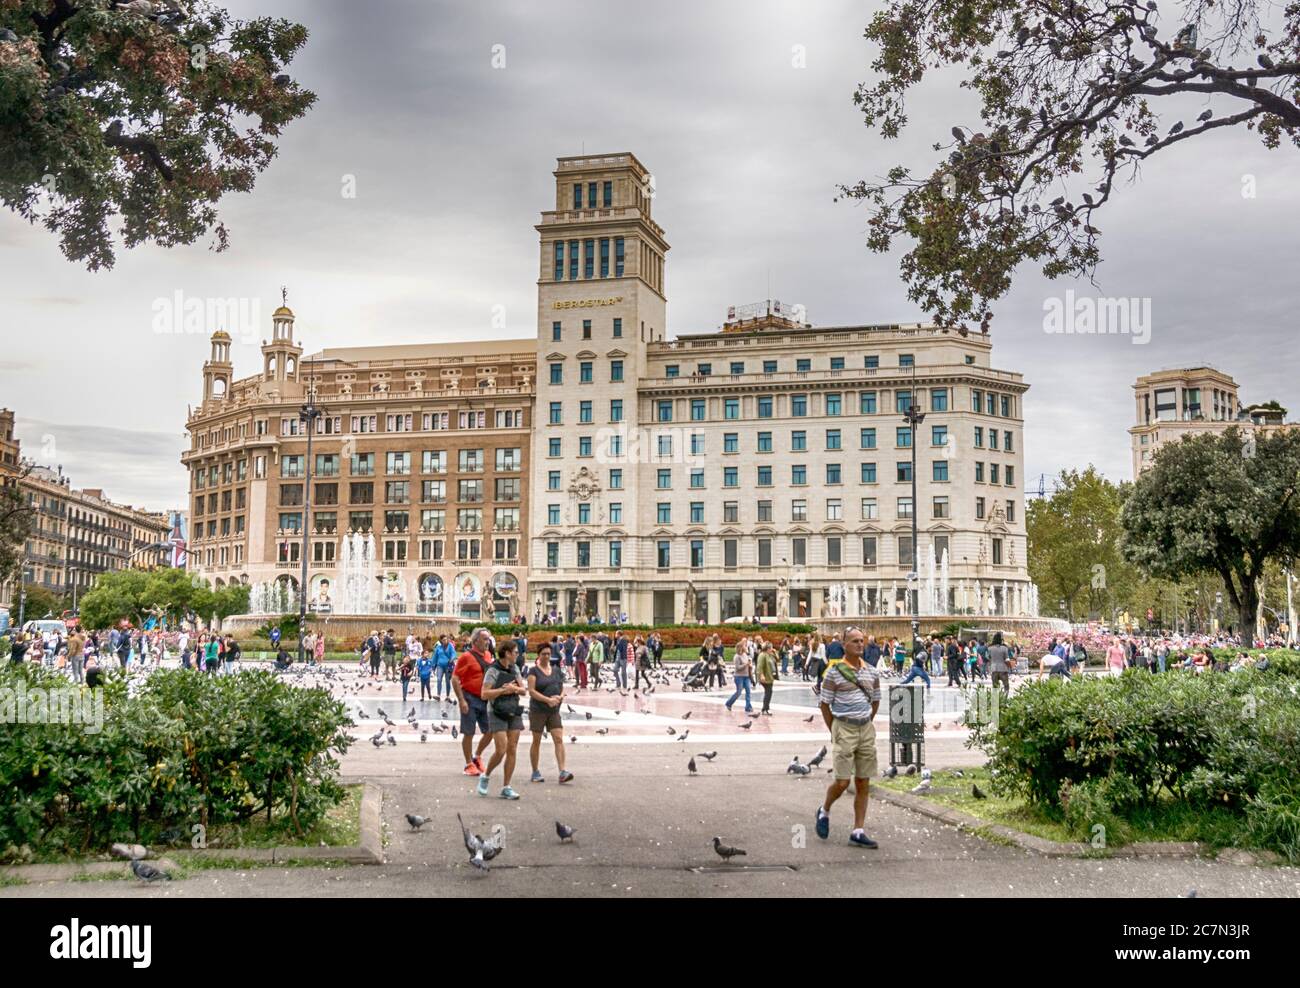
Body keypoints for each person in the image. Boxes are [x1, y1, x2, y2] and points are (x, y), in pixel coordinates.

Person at [815, 627, 880, 849]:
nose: (860, 644)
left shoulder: (872, 671)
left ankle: (858, 830)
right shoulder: (833, 672)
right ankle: (824, 810)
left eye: (862, 641)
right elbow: (824, 704)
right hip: (843, 727)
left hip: (865, 729)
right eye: (855, 641)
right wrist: (834, 728)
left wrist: (866, 719)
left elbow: (876, 700)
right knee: (842, 781)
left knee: (863, 780)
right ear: (844, 645)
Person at [478, 640, 527, 800]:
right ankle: (485, 776)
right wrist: (502, 691)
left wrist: (514, 689)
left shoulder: (515, 668)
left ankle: (506, 786)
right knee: (501, 749)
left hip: (513, 709)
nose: (518, 655)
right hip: (496, 711)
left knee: (512, 748)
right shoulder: (493, 670)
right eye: (515, 652)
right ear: (507, 653)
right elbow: (484, 694)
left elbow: (523, 690)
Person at [452, 628, 496, 777]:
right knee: (469, 732)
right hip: (469, 698)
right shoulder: (466, 657)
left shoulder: (489, 655)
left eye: (488, 639)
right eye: (485, 639)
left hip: (484, 699)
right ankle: (468, 764)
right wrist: (461, 700)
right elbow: (455, 678)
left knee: (491, 731)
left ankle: (476, 756)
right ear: (475, 640)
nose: (487, 642)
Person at [527, 644, 573, 784]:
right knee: (537, 740)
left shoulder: (556, 671)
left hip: (554, 711)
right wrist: (547, 700)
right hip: (538, 710)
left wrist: (559, 697)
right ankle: (535, 771)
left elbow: (561, 687)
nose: (546, 656)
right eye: (543, 654)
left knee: (558, 738)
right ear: (538, 655)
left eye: (548, 654)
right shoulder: (533, 671)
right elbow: (532, 691)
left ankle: (562, 771)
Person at [725, 636, 755, 714]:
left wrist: (749, 665)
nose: (746, 647)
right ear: (741, 647)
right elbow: (738, 668)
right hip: (739, 677)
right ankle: (729, 703)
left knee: (748, 691)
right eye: (745, 646)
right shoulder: (737, 657)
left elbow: (747, 664)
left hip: (746, 676)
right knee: (738, 692)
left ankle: (748, 707)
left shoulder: (745, 655)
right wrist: (746, 664)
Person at [756, 638, 777, 715]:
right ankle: (765, 709)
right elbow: (759, 666)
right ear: (767, 648)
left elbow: (777, 660)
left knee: (769, 692)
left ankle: (765, 708)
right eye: (771, 647)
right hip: (765, 677)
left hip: (770, 677)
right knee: (768, 692)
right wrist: (761, 675)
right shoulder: (762, 655)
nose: (772, 649)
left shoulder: (769, 655)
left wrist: (775, 653)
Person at [432, 633, 456, 701]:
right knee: (439, 679)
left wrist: (452, 658)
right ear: (441, 641)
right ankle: (438, 695)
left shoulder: (450, 646)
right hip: (440, 666)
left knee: (448, 681)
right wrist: (433, 666)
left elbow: (453, 653)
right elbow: (435, 657)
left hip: (448, 666)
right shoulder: (438, 648)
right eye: (444, 640)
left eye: (446, 639)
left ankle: (447, 696)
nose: (445, 641)